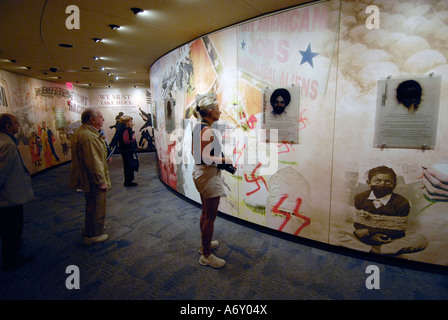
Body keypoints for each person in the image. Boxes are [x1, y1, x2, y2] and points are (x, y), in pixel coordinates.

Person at [338, 166, 427, 255]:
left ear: (394, 185)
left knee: (420, 239)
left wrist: (372, 232)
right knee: (336, 234)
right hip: (365, 238)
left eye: (388, 182)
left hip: (390, 240)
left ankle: (376, 250)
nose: (382, 184)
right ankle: (375, 250)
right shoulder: (360, 197)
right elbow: (358, 225)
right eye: (377, 181)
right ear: (369, 182)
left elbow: (399, 229)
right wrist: (371, 236)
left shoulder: (402, 202)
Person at [191, 93, 232, 268]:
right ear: (209, 111)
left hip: (201, 173)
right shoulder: (207, 130)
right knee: (210, 217)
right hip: (208, 175)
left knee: (206, 213)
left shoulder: (199, 127)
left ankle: (204, 246)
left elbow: (195, 154)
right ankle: (206, 255)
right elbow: (205, 157)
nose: (220, 112)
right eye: (217, 109)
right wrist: (226, 161)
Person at [70, 108, 111, 245]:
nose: (103, 120)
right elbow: (93, 161)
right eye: (100, 117)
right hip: (93, 179)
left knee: (91, 204)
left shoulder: (83, 133)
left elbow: (94, 157)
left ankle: (90, 229)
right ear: (92, 119)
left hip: (87, 177)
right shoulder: (89, 136)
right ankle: (94, 234)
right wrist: (101, 181)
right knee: (97, 204)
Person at [0, 113, 35, 270]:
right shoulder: (7, 144)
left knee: (10, 228)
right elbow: (1, 173)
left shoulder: (6, 141)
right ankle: (11, 259)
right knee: (12, 228)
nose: (18, 125)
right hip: (9, 197)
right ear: (8, 126)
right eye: (15, 122)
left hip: (8, 196)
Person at [117, 115, 138, 187]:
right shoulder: (125, 129)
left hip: (125, 150)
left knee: (128, 166)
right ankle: (128, 182)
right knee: (128, 166)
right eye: (130, 120)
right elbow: (126, 141)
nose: (131, 122)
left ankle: (129, 181)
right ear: (126, 122)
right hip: (127, 151)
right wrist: (133, 139)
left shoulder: (123, 128)